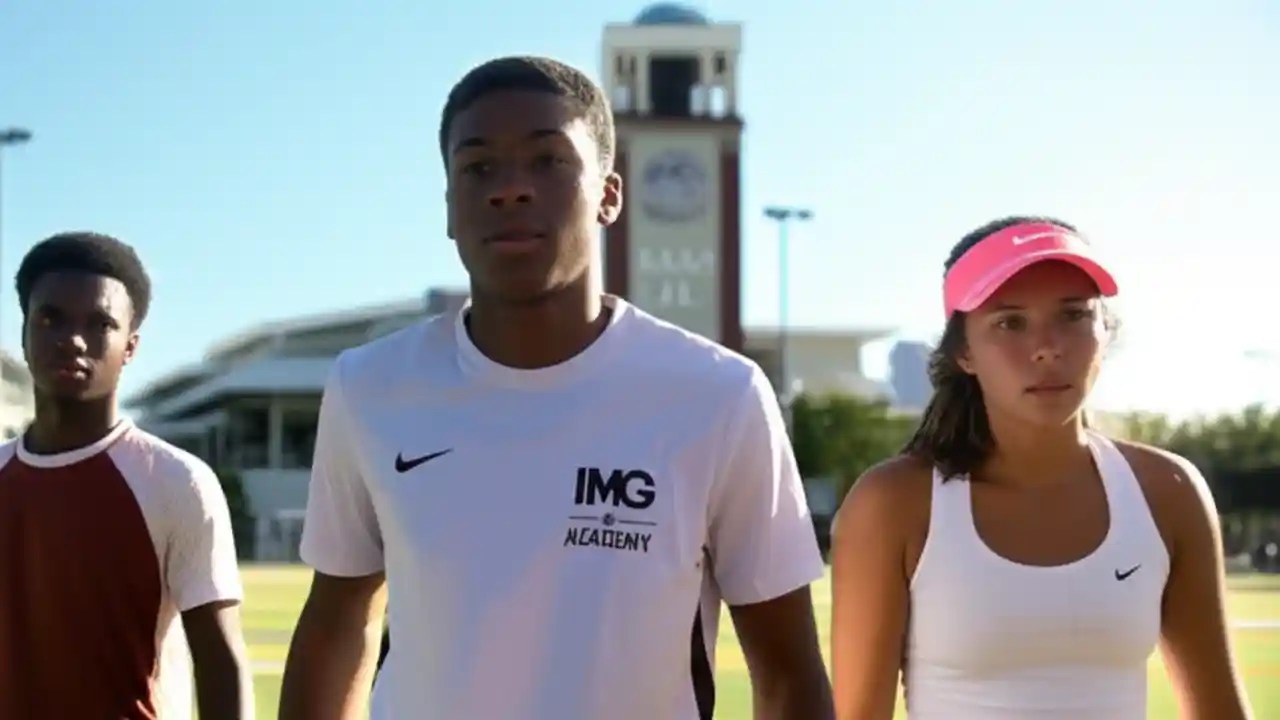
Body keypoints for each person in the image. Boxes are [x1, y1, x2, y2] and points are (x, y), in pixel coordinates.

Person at [279, 55, 833, 720]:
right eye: (478, 167)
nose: (509, 189)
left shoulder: (719, 394)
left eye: (548, 161)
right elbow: (339, 624)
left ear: (608, 194)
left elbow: (788, 673)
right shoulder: (368, 386)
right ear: (450, 207)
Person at [829, 216, 1254, 719]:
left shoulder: (1169, 491)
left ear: (1105, 330)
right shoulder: (893, 503)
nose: (1048, 347)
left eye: (1073, 315)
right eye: (1010, 322)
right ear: (964, 351)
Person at [0, 232, 253, 719]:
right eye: (50, 317)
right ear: (25, 332)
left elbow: (221, 661)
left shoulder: (178, 483)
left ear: (130, 346)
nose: (72, 339)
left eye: (100, 324)